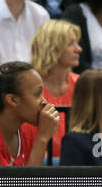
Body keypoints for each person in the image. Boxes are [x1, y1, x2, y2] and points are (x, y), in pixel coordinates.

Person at [29, 19, 79, 158]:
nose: (79, 49)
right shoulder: (28, 88)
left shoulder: (81, 85)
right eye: (71, 44)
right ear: (51, 47)